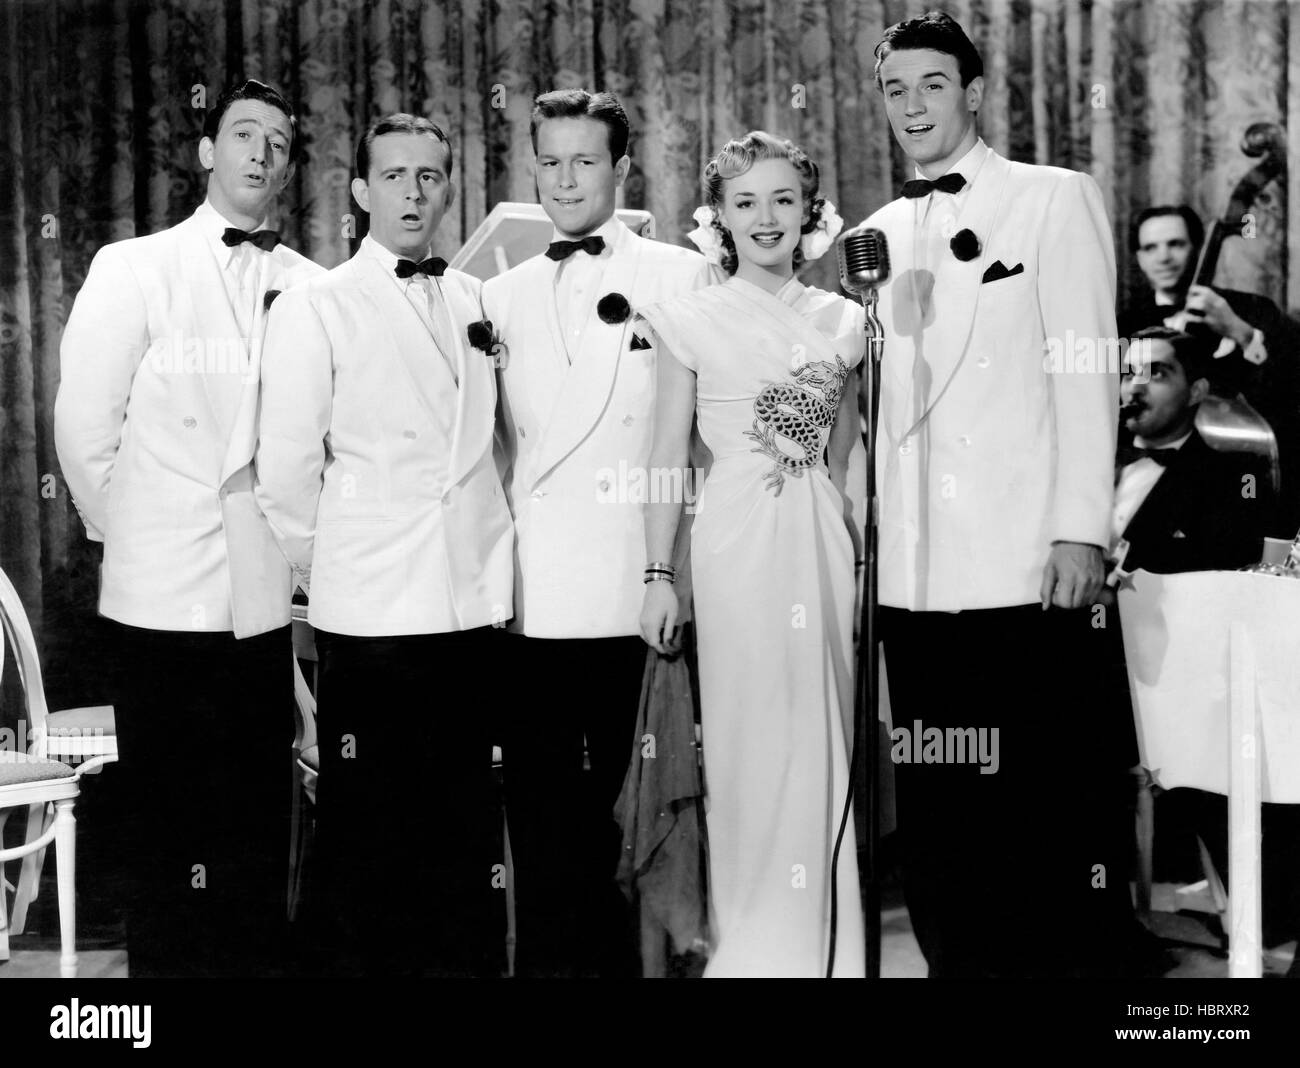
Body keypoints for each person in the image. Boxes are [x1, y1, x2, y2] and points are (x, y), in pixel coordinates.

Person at [862, 11, 1129, 977]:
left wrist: (1079, 533)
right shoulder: (874, 234)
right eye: (896, 90)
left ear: (973, 93)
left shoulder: (1054, 200)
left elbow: (1086, 371)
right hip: (918, 584)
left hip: (1025, 567)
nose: (913, 106)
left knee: (1039, 810)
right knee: (939, 814)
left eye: (933, 84)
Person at [53, 79, 323, 977]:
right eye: (242, 134)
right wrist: (137, 535)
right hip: (158, 592)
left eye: (278, 141)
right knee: (170, 824)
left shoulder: (312, 285)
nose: (260, 152)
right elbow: (85, 432)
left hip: (259, 593)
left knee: (253, 818)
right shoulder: (134, 267)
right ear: (207, 151)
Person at [255, 114, 514, 976]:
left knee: (463, 827)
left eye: (431, 175)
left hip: (469, 605)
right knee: (370, 829)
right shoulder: (316, 304)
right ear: (361, 192)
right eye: (395, 175)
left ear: (449, 189)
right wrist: (328, 566)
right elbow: (286, 471)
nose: (414, 190)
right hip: (371, 611)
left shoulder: (478, 299)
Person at [482, 89, 712, 976]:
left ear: (622, 170)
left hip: (637, 591)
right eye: (550, 161)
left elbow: (693, 445)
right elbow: (495, 455)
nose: (566, 178)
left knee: (640, 817)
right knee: (543, 825)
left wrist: (672, 574)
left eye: (586, 161)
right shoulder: (496, 295)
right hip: (534, 600)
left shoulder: (680, 274)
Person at [637, 130, 866, 978]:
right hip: (731, 543)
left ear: (810, 211)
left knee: (821, 737)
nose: (766, 218)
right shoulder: (685, 318)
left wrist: (856, 549)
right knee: (743, 741)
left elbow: (849, 459)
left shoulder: (846, 319)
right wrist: (659, 575)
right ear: (720, 218)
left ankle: (822, 954)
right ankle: (755, 956)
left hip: (820, 544)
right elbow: (663, 458)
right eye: (746, 202)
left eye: (782, 200)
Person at [1111, 328, 1298, 971]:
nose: (1134, 386)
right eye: (1127, 372)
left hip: (1177, 673)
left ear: (1196, 392)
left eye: (1156, 374)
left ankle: (1256, 915)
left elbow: (1226, 588)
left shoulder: (1233, 476)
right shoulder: (1078, 463)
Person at [1120, 204, 1300, 533]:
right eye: (1150, 248)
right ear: (1139, 257)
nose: (1163, 257)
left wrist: (1240, 332)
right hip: (1153, 492)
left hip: (1242, 488)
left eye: (1175, 244)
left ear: (1198, 246)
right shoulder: (1123, 327)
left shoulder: (1251, 309)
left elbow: (1292, 387)